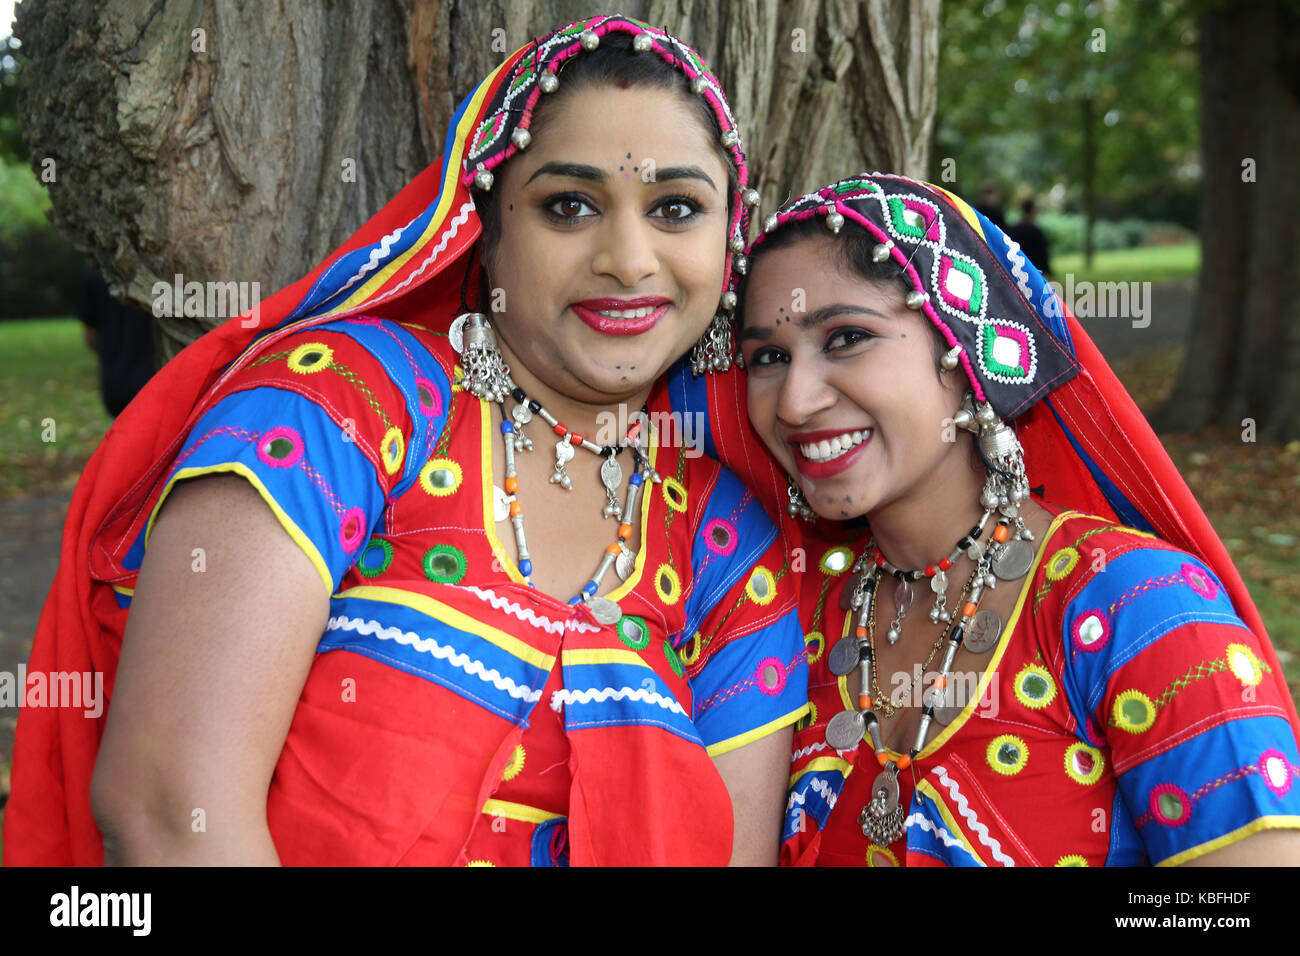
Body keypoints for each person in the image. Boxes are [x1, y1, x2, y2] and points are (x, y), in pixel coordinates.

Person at [3, 16, 809, 867]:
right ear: (486, 233)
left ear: (730, 244)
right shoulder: (345, 404)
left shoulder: (730, 545)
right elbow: (170, 810)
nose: (629, 258)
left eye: (676, 208)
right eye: (568, 206)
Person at [732, 174, 1300, 866]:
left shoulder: (1142, 608)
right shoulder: (795, 616)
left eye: (848, 337)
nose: (794, 401)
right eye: (768, 357)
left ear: (964, 350)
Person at [1006, 197, 1052, 277]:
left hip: (1018, 267)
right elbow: (1042, 253)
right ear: (1033, 211)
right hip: (1034, 268)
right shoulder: (1036, 231)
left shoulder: (1014, 229)